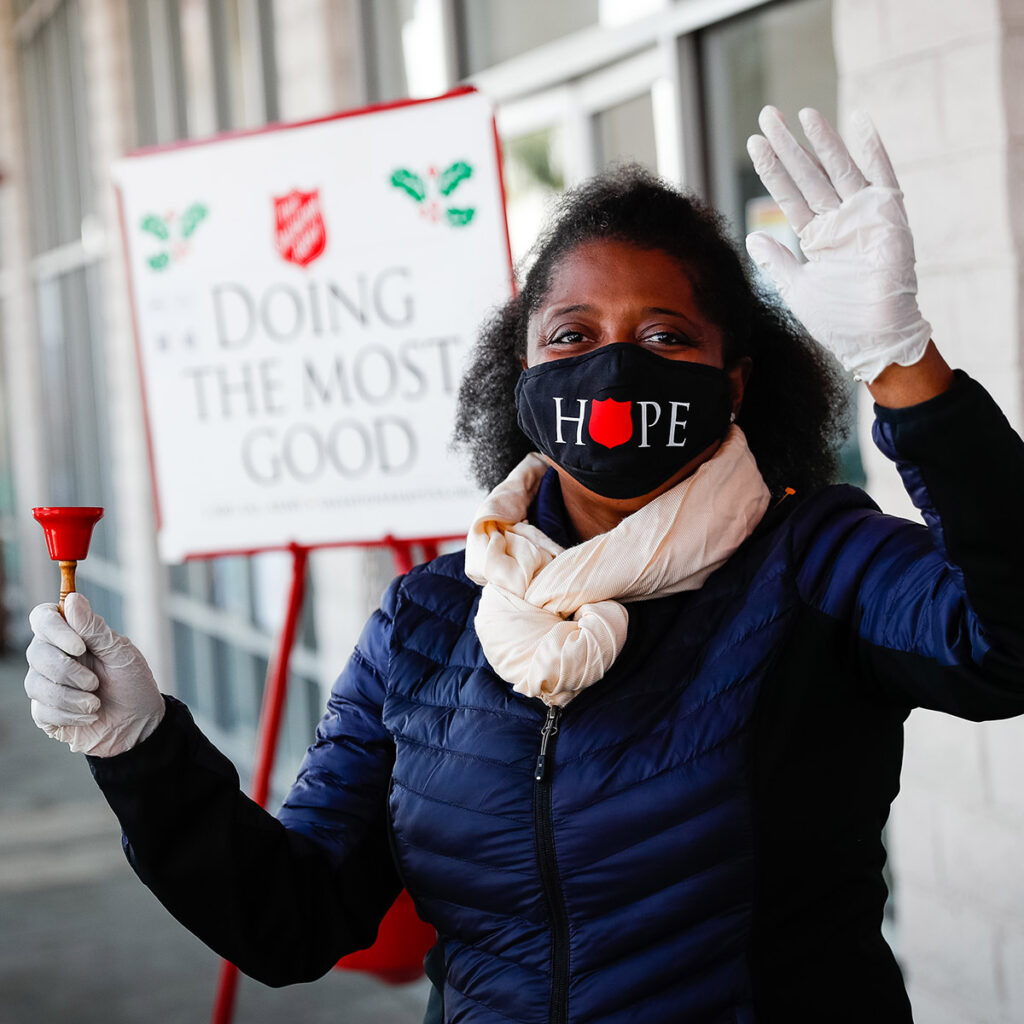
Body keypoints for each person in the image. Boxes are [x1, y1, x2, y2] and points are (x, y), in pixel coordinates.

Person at [23, 107, 1024, 1023]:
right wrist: (140, 746)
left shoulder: (818, 561)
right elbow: (293, 918)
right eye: (573, 335)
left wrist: (904, 366)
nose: (616, 364)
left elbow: (1004, 646)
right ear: (524, 374)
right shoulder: (430, 616)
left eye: (666, 336)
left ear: (737, 379)